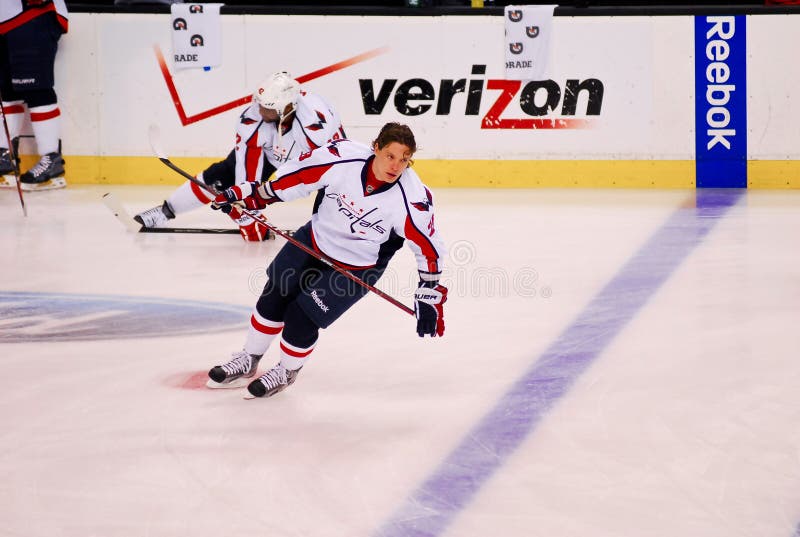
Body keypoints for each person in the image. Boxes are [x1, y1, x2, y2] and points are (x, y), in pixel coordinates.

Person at [206, 122, 448, 398]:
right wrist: (251, 196)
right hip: (315, 240)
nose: (396, 166)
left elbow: (428, 248)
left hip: (358, 266)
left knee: (301, 316)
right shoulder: (342, 157)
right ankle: (249, 359)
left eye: (404, 160)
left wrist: (428, 294)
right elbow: (296, 179)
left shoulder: (412, 199)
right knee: (274, 296)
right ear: (376, 148)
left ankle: (286, 371)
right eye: (390, 156)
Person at [134, 71, 347, 241]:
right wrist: (246, 210)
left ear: (287, 107)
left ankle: (337, 230)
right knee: (221, 175)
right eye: (260, 103)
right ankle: (166, 211)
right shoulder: (251, 120)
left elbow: (324, 168)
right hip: (271, 153)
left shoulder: (314, 126)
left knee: (332, 187)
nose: (260, 111)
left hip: (316, 157)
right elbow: (247, 174)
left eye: (268, 108)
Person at [0, 0, 68, 191]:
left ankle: (51, 159)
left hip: (33, 14)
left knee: (36, 87)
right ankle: (4, 157)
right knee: (8, 90)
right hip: (5, 19)